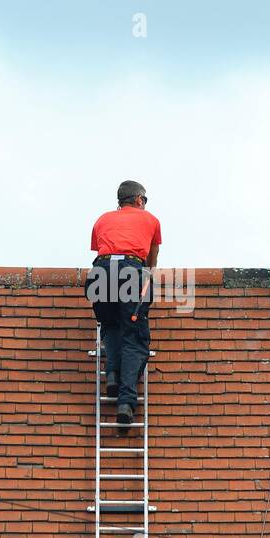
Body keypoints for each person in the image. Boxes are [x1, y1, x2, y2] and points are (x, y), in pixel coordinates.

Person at [84, 180, 161, 425]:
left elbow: (100, 250)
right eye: (145, 200)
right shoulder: (150, 220)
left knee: (110, 322)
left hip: (101, 272)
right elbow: (151, 260)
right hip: (130, 270)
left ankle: (113, 376)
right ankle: (126, 402)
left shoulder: (102, 219)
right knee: (134, 335)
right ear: (139, 200)